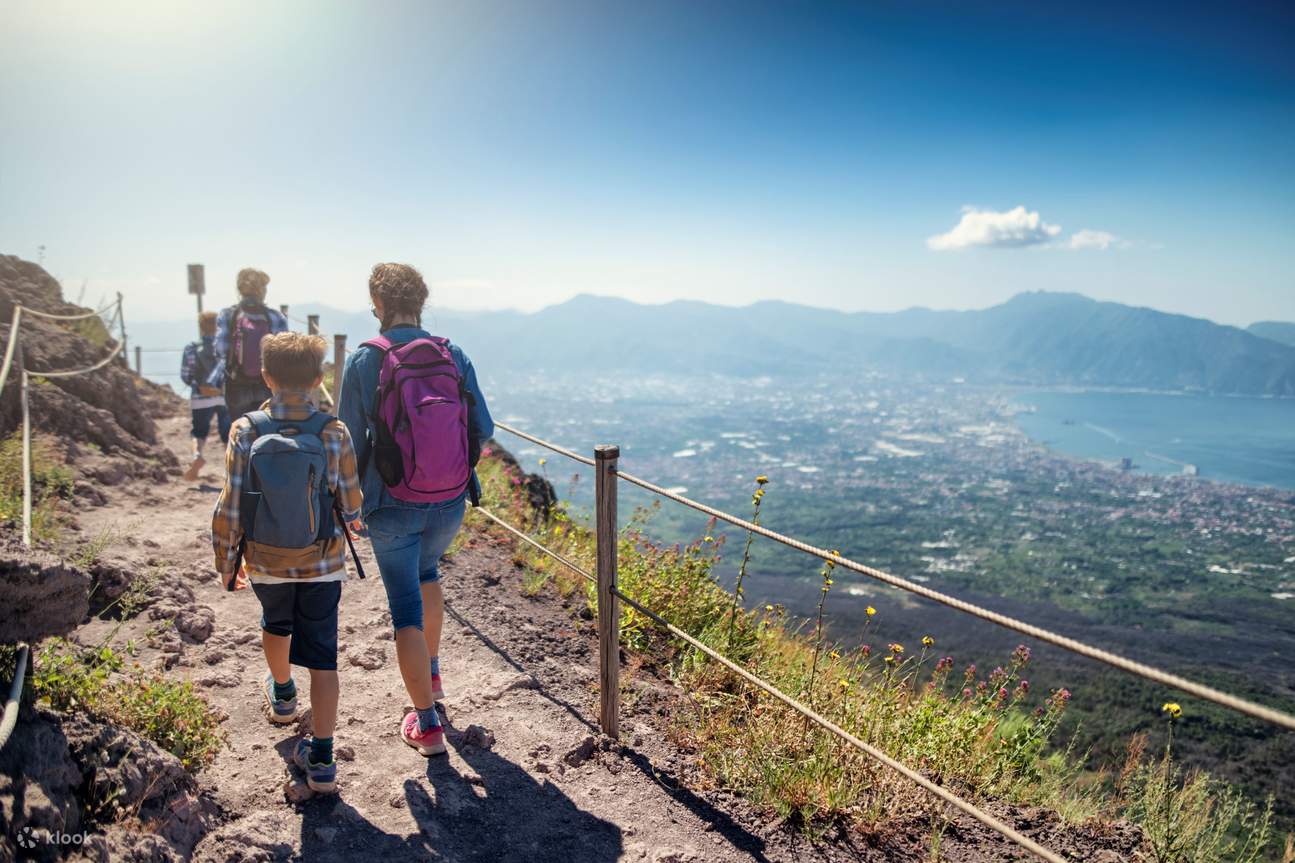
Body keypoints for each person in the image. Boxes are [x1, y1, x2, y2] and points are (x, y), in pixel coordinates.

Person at [337, 262, 493, 757]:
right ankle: (433, 675)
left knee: (404, 607)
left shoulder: (365, 361)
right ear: (421, 301)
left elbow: (344, 440)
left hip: (392, 503)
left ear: (378, 305)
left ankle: (426, 726)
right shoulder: (453, 353)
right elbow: (483, 428)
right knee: (428, 574)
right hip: (449, 501)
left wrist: (349, 501)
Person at [211, 332, 364, 793]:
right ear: (320, 378)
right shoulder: (333, 431)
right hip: (322, 562)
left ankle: (281, 695)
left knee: (275, 622)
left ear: (265, 375)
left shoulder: (245, 429)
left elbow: (230, 504)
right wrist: (349, 519)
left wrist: (227, 559)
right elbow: (353, 503)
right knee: (322, 655)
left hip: (265, 558)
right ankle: (322, 758)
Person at [206, 268, 288, 420]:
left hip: (237, 382)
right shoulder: (275, 317)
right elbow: (284, 353)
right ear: (263, 290)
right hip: (268, 383)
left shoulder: (228, 315)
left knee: (240, 430)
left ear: (240, 290)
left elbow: (220, 349)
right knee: (266, 429)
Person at [179, 311, 231, 481]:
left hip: (200, 396)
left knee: (198, 431)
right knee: (228, 434)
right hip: (224, 396)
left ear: (200, 327)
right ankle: (230, 469)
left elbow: (186, 375)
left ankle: (197, 456)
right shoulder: (226, 347)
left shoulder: (191, 348)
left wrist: (197, 386)